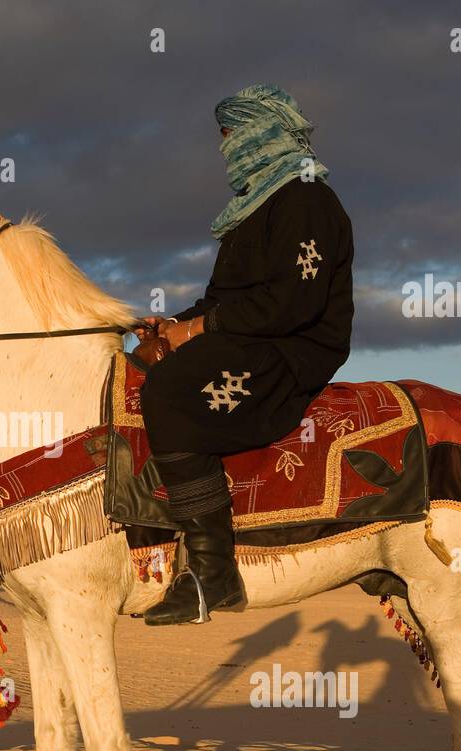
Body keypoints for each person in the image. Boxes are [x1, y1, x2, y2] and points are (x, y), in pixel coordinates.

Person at [136, 84, 354, 627]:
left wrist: (200, 329)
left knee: (168, 392)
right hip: (250, 336)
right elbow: (223, 301)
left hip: (291, 349)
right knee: (133, 368)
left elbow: (295, 302)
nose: (224, 147)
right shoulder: (252, 207)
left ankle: (213, 575)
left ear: (262, 130)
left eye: (230, 133)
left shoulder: (306, 199)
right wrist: (173, 324)